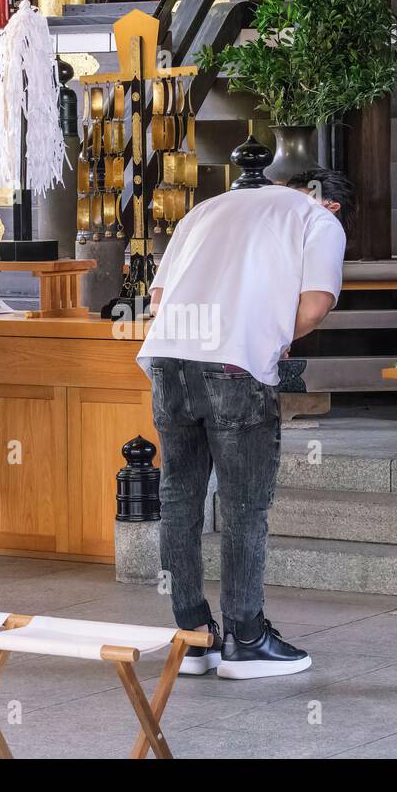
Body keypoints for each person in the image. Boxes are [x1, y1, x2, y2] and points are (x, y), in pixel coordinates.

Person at [137, 169, 352, 679]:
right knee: (243, 507)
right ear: (333, 205)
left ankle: (193, 637)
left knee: (178, 497)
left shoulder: (206, 209)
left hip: (168, 360)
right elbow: (315, 305)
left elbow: (158, 300)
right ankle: (247, 637)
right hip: (234, 367)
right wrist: (270, 340)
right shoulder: (318, 219)